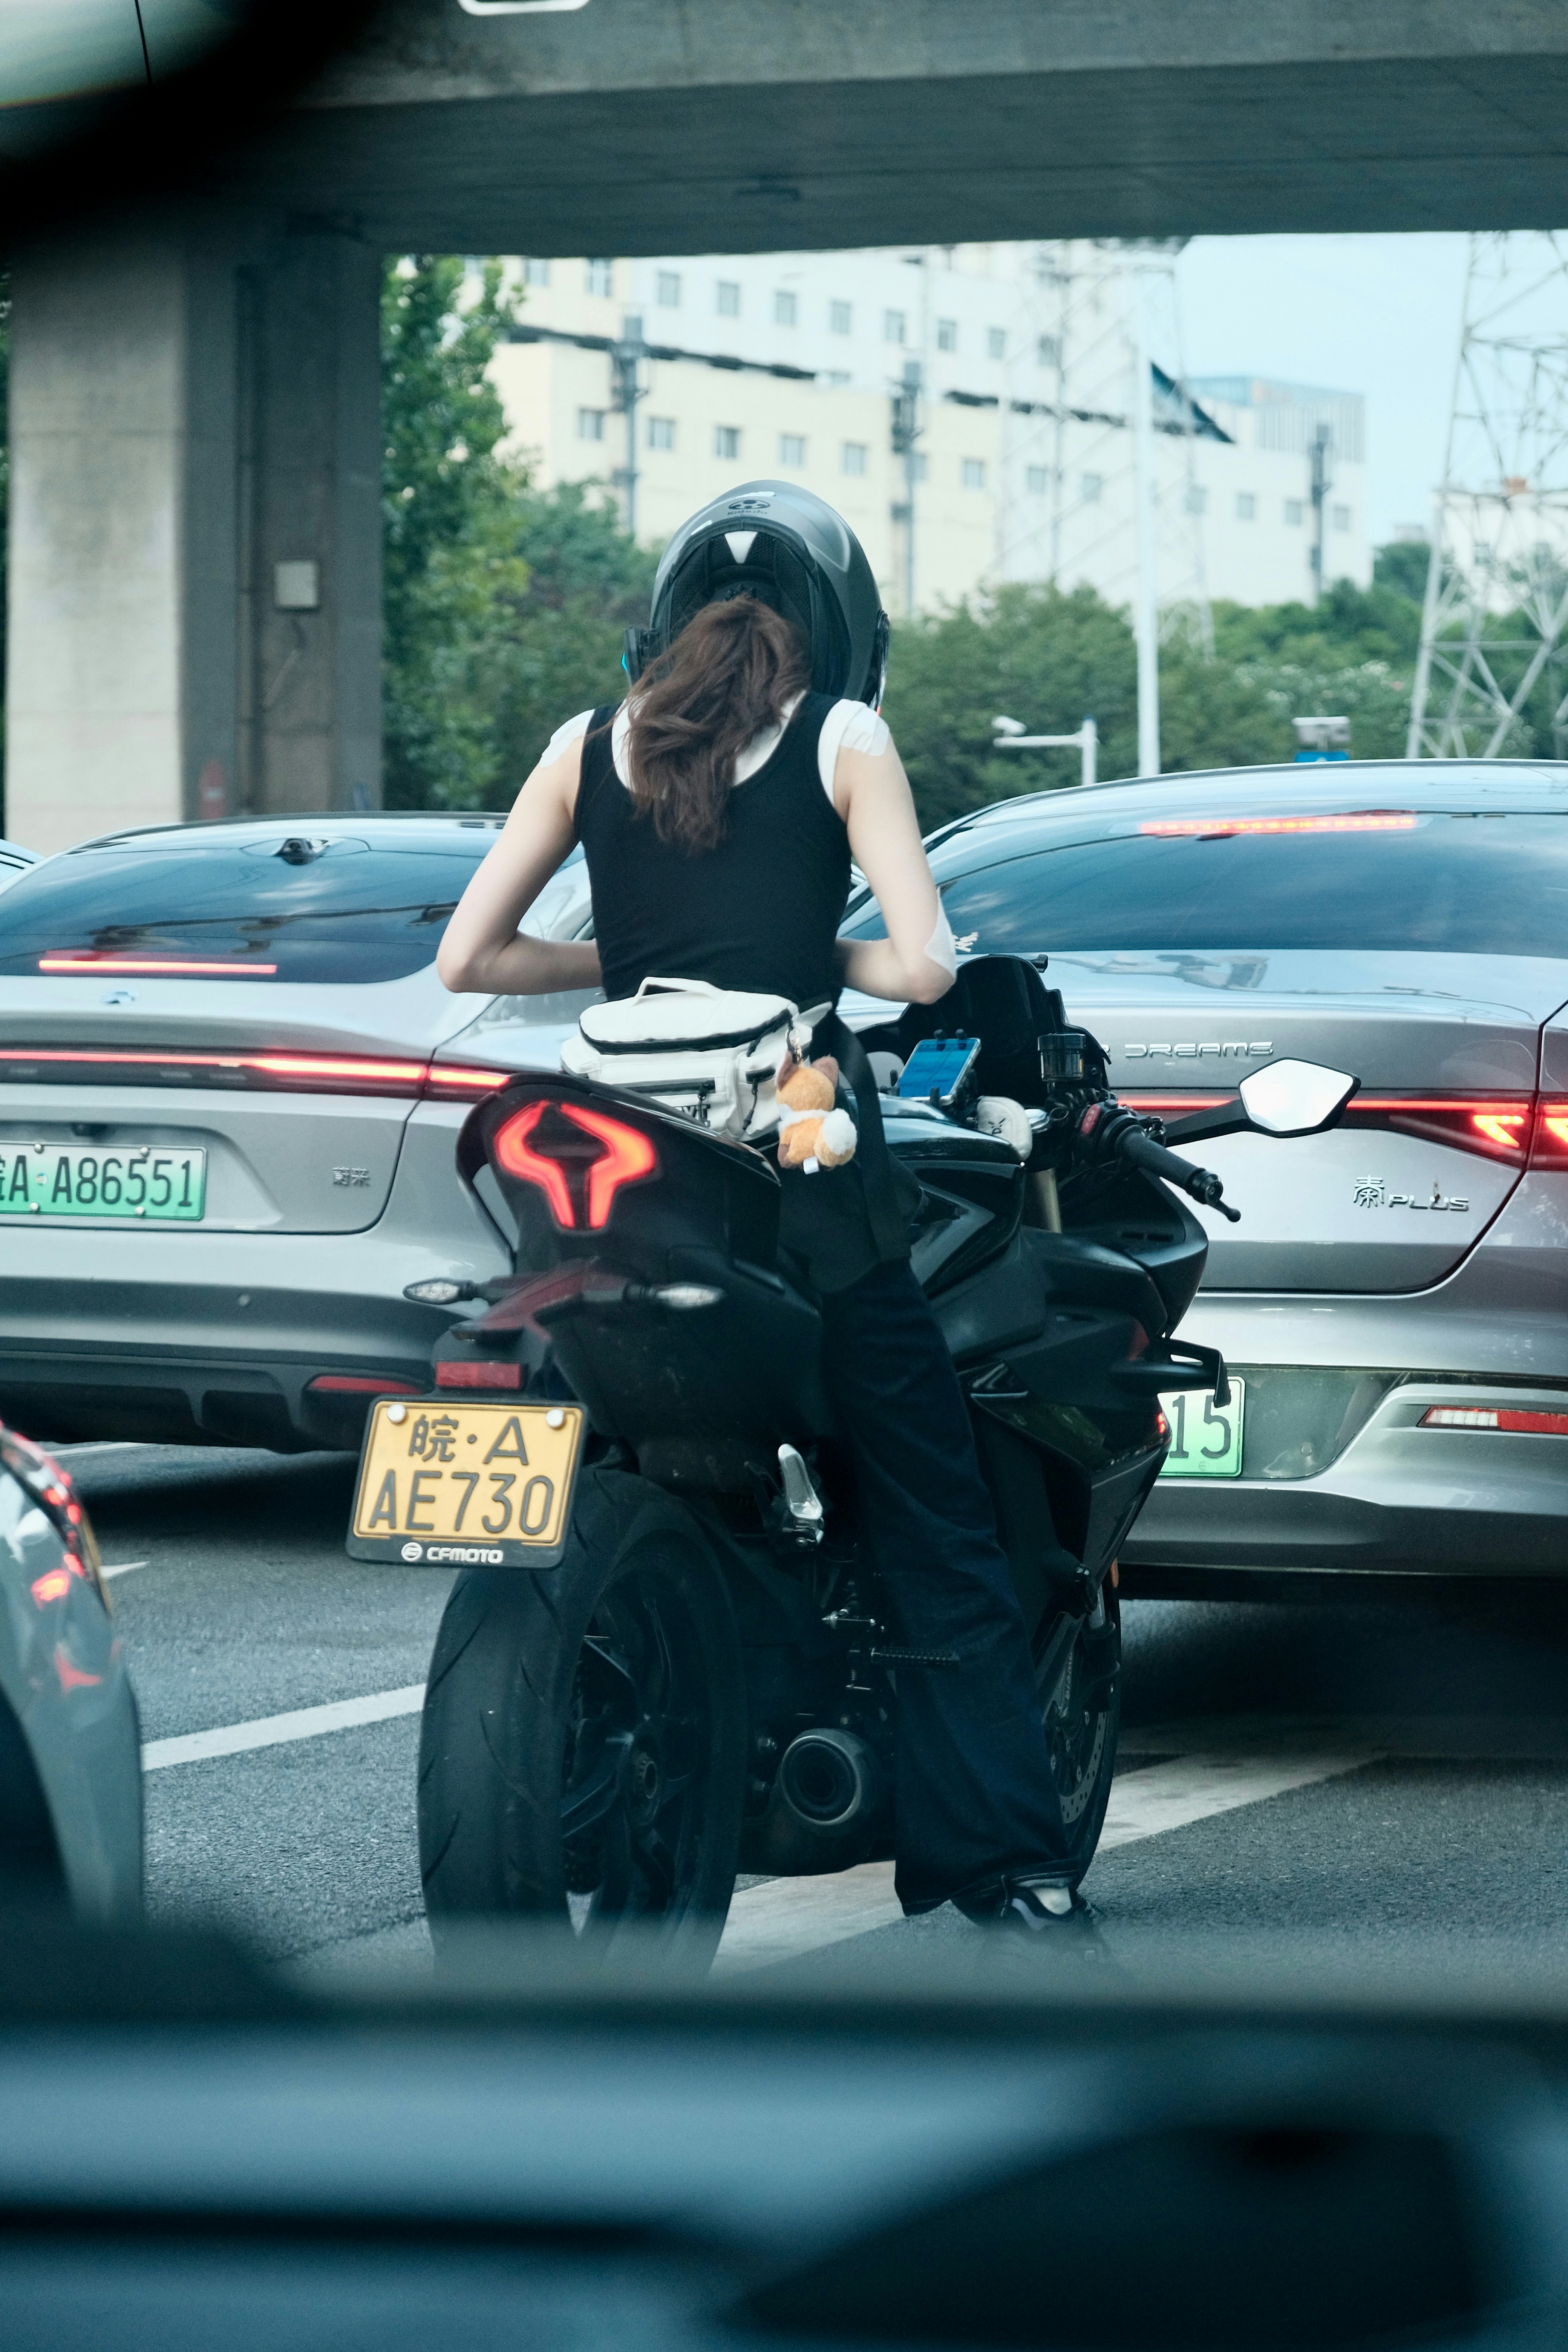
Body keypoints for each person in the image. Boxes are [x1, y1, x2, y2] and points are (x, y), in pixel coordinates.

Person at [438, 481, 1084, 1938]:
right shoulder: (846, 740)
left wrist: (627, 983)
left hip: (610, 1148)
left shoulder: (579, 747)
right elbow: (926, 968)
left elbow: (471, 958)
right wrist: (801, 965)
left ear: (658, 632)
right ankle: (1005, 1871)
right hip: (796, 1166)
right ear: (838, 637)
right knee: (935, 1503)